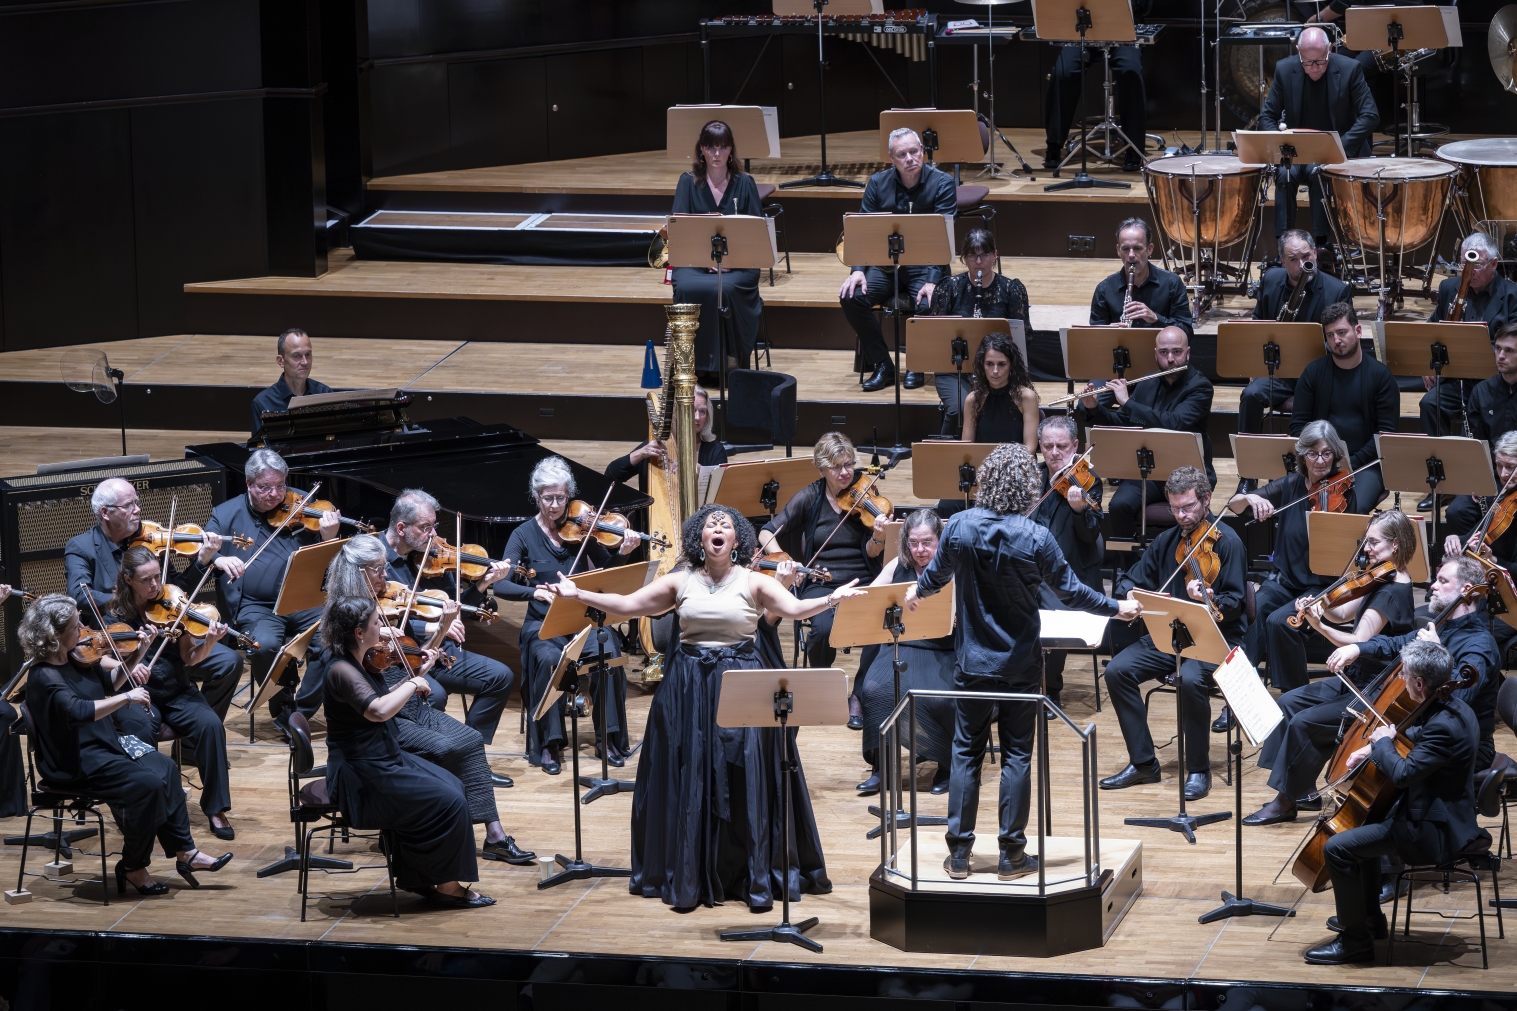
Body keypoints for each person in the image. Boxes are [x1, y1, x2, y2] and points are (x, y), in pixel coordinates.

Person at [543, 504, 861, 911]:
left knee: (742, 770)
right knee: (689, 771)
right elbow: (627, 605)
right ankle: (691, 868)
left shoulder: (753, 580)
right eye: (711, 524)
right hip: (688, 686)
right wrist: (578, 593)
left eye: (726, 524)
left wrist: (832, 598)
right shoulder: (680, 580)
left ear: (736, 539)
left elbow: (795, 609)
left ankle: (745, 869)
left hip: (741, 683)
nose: (718, 528)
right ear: (701, 538)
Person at [905, 444, 1142, 880]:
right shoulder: (1035, 536)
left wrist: (916, 591)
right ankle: (1011, 856)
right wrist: (1116, 607)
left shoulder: (959, 527)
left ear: (987, 481)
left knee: (965, 752)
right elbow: (1072, 593)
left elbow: (936, 575)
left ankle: (959, 855)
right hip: (1019, 664)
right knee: (1016, 755)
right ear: (1026, 486)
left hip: (972, 663)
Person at [311, 537, 534, 864]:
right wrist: (411, 675)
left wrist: (437, 636)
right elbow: (373, 695)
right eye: (378, 569)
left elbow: (404, 664)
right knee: (446, 749)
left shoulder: (378, 610)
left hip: (409, 703)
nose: (386, 574)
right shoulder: (350, 621)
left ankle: (495, 836)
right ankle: (424, 833)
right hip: (389, 720)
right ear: (359, 573)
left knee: (471, 740)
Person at [21, 594, 231, 896]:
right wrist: (126, 698)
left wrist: (139, 653)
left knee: (166, 768)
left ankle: (186, 853)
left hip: (106, 743)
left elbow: (109, 683)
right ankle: (133, 866)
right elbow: (79, 711)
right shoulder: (44, 675)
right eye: (75, 624)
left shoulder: (78, 658)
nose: (83, 627)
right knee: (148, 786)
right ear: (54, 634)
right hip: (75, 760)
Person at [1303, 639, 1484, 964]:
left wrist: (1384, 743)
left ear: (1419, 683)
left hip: (1431, 828)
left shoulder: (1444, 726)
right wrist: (1373, 747)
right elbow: (1419, 735)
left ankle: (1354, 941)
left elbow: (1403, 774)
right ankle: (1369, 919)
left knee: (1337, 848)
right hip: (1434, 809)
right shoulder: (1454, 707)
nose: (1401, 680)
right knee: (1366, 824)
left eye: (1405, 676)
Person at [1242, 511, 1424, 826]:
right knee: (1288, 702)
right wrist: (1319, 610)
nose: (1366, 548)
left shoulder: (1393, 591)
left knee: (1304, 722)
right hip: (1357, 678)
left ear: (1395, 544)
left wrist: (1319, 627)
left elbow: (1358, 641)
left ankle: (1285, 801)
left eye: (1373, 542)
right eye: (1366, 541)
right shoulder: (1380, 576)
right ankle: (1304, 790)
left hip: (1374, 689)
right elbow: (1341, 614)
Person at [319, 595, 494, 907]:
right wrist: (413, 685)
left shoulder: (362, 660)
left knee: (455, 786)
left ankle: (421, 877)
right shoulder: (341, 670)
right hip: (362, 775)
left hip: (383, 757)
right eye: (376, 623)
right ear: (359, 632)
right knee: (449, 801)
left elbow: (383, 694)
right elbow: (377, 710)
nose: (383, 629)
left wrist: (416, 674)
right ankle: (447, 887)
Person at [1099, 467, 1246, 800]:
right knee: (1117, 671)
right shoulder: (1167, 541)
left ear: (1206, 499)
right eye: (1175, 508)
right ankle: (1144, 763)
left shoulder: (1228, 543)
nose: (1181, 516)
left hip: (1215, 639)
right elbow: (1130, 578)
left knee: (1191, 679)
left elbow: (1236, 604)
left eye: (1188, 507)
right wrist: (1131, 595)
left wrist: (1207, 599)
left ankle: (1198, 769)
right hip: (1171, 636)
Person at [497, 457, 637, 774]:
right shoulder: (523, 535)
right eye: (548, 498)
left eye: (561, 498)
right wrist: (534, 592)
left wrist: (623, 553)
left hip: (583, 621)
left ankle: (607, 737)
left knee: (608, 649)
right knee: (548, 658)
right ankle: (550, 742)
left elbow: (608, 575)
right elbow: (501, 585)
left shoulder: (582, 531)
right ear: (536, 497)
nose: (555, 506)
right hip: (544, 625)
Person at [63, 478, 243, 719]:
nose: (137, 509)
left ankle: (195, 730)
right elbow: (78, 595)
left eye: (136, 502)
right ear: (105, 512)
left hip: (167, 633)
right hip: (124, 642)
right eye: (128, 505)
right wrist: (128, 600)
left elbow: (176, 590)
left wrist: (203, 561)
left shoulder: (150, 540)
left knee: (229, 662)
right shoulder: (82, 547)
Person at [101, 546, 239, 840]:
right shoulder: (116, 615)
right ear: (128, 579)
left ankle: (216, 808)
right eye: (146, 580)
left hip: (176, 690)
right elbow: (103, 658)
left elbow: (190, 657)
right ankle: (150, 808)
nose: (155, 585)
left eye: (157, 577)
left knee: (211, 725)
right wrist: (129, 666)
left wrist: (209, 643)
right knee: (140, 732)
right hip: (138, 694)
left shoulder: (172, 604)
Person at [205, 449, 341, 733]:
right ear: (248, 483)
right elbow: (202, 549)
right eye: (266, 488)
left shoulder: (302, 503)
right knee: (263, 645)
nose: (276, 495)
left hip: (302, 600)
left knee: (334, 638)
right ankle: (282, 706)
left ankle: (301, 710)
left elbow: (329, 561)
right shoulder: (226, 514)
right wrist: (218, 558)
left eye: (280, 485)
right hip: (256, 607)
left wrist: (329, 537)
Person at [1330, 555, 1503, 770]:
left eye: (1443, 581)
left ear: (1466, 589)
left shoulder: (1481, 644)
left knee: (1383, 765)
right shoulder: (1441, 626)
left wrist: (1436, 651)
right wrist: (1357, 648)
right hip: (1431, 732)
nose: (1433, 586)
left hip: (1464, 743)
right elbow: (1396, 643)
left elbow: (1459, 699)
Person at [381, 489, 516, 751]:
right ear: (401, 528)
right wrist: (433, 626)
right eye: (425, 527)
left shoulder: (432, 559)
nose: (433, 534)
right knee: (435, 695)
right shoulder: (377, 561)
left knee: (501, 676)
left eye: (434, 526)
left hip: (441, 651)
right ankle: (426, 755)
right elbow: (382, 617)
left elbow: (458, 609)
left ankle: (471, 751)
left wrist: (483, 584)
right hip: (402, 656)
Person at [758, 433, 890, 680]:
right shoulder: (809, 497)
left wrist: (879, 536)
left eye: (849, 464)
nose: (845, 472)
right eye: (836, 467)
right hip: (820, 582)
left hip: (863, 579)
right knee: (821, 630)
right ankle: (823, 682)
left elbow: (872, 552)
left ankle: (861, 691)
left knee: (880, 624)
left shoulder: (865, 494)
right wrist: (784, 559)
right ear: (821, 469)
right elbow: (766, 532)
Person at [838, 128, 957, 393]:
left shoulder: (943, 183)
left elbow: (944, 238)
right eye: (902, 154)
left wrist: (932, 280)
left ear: (922, 151)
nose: (909, 158)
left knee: (930, 301)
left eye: (914, 151)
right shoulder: (877, 183)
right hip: (885, 265)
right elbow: (863, 230)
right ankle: (883, 365)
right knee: (851, 296)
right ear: (892, 158)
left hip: (926, 265)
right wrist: (857, 270)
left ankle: (916, 363)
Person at [1231, 421, 1349, 681]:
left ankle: (1293, 695)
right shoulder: (1289, 485)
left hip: (1320, 586)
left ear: (1335, 455)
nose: (1320, 461)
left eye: (1327, 453)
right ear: (1302, 455)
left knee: (1279, 621)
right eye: (1313, 454)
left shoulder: (1344, 491)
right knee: (1254, 611)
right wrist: (1250, 497)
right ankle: (1242, 687)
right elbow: (1234, 506)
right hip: (1284, 581)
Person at [1076, 325, 1215, 537]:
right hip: (1150, 471)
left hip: (1189, 474)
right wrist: (1094, 407)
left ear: (1187, 353)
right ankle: (1128, 559)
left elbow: (1174, 422)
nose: (1170, 359)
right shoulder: (1147, 383)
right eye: (1164, 352)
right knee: (1119, 505)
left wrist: (1128, 402)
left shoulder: (1200, 387)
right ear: (1155, 354)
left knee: (1189, 511)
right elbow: (1122, 423)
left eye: (1176, 352)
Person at [854, 510, 956, 798]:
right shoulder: (897, 565)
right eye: (913, 543)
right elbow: (871, 599)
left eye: (927, 542)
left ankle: (947, 764)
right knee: (874, 689)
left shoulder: (954, 568)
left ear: (940, 540)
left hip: (943, 649)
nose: (920, 550)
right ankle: (881, 767)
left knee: (940, 698)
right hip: (900, 645)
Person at [1238, 230, 1352, 481]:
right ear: (1282, 260)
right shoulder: (1271, 280)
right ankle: (1248, 476)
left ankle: (1314, 476)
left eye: (1306, 257)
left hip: (1317, 376)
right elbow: (1258, 322)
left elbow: (1340, 342)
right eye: (1293, 259)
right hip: (1279, 372)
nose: (1301, 265)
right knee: (1251, 395)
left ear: (1315, 253)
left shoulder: (1336, 291)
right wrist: (1254, 365)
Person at [1257, 27, 1378, 242]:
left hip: (1336, 150)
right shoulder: (1285, 69)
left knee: (1317, 174)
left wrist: (1338, 146)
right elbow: (1267, 116)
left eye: (1320, 61)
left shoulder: (1350, 69)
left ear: (1329, 49)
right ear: (1298, 52)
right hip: (1297, 151)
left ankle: (1322, 244)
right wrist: (1279, 143)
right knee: (1285, 176)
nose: (1314, 68)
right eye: (1308, 62)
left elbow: (1370, 115)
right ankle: (1284, 244)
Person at [671, 121, 765, 377]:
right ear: (701, 149)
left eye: (723, 148)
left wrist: (732, 260)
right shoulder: (687, 182)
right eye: (711, 148)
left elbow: (757, 235)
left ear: (731, 150)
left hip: (739, 266)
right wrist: (705, 260)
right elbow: (680, 232)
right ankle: (692, 366)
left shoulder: (745, 183)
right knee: (688, 287)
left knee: (727, 289)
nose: (716, 154)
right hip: (695, 264)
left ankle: (730, 366)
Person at [1290, 302, 1398, 513]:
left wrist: (1348, 464)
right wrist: (1319, 459)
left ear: (1358, 331)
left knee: (1351, 509)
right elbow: (1298, 426)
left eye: (1341, 332)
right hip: (1318, 462)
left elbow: (1385, 435)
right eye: (1330, 335)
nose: (1336, 340)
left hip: (1366, 466)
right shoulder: (1312, 373)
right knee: (1293, 506)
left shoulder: (1381, 377)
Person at [925, 229, 1032, 434]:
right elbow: (935, 336)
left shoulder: (1011, 289)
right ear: (964, 258)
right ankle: (949, 449)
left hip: (998, 369)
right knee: (959, 409)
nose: (979, 261)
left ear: (995, 255)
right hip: (955, 370)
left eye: (984, 254)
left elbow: (1024, 336)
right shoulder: (949, 288)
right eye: (972, 255)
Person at [1031, 417, 1105, 707]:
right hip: (1030, 570)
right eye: (1048, 446)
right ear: (1040, 446)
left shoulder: (1089, 482)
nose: (1054, 453)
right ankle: (1015, 684)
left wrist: (1079, 511)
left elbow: (1090, 536)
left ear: (1075, 446)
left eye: (1061, 446)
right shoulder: (1030, 478)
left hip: (1069, 573)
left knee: (1056, 609)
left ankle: (1049, 687)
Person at [1419, 233, 1517, 439]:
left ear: (1493, 264)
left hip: (1494, 381)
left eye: (1477, 264)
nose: (1469, 271)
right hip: (1456, 379)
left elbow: (1512, 343)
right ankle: (1441, 455)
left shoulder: (1512, 295)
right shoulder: (1448, 288)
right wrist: (1426, 364)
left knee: (1476, 421)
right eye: (1464, 263)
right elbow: (1432, 329)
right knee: (1429, 404)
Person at [1045, 35, 1147, 172]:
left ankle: (1134, 151)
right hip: (1081, 36)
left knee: (1130, 71)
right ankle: (1053, 147)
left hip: (1123, 37)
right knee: (1063, 72)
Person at [1088, 218, 1195, 337]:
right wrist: (1107, 332)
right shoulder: (1104, 289)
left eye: (1137, 248)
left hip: (1159, 349)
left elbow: (1186, 332)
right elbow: (1094, 337)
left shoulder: (1172, 284)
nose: (1131, 255)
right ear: (1118, 250)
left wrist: (1156, 318)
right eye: (1125, 249)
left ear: (1149, 249)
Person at [605, 387, 728, 489]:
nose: (697, 417)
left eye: (702, 411)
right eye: (691, 410)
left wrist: (697, 469)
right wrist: (640, 453)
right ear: (676, 413)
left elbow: (724, 489)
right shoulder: (658, 446)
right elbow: (610, 476)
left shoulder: (715, 449)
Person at [960, 332, 1039, 450]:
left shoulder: (1027, 397)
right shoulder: (973, 400)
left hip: (1018, 461)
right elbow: (966, 448)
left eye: (1002, 364)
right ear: (982, 365)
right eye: (989, 364)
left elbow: (1030, 448)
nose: (995, 371)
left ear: (1011, 365)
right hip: (983, 461)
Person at [250, 328, 333, 436]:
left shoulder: (325, 395)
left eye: (308, 354)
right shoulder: (262, 403)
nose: (305, 362)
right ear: (281, 361)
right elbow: (260, 446)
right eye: (296, 356)